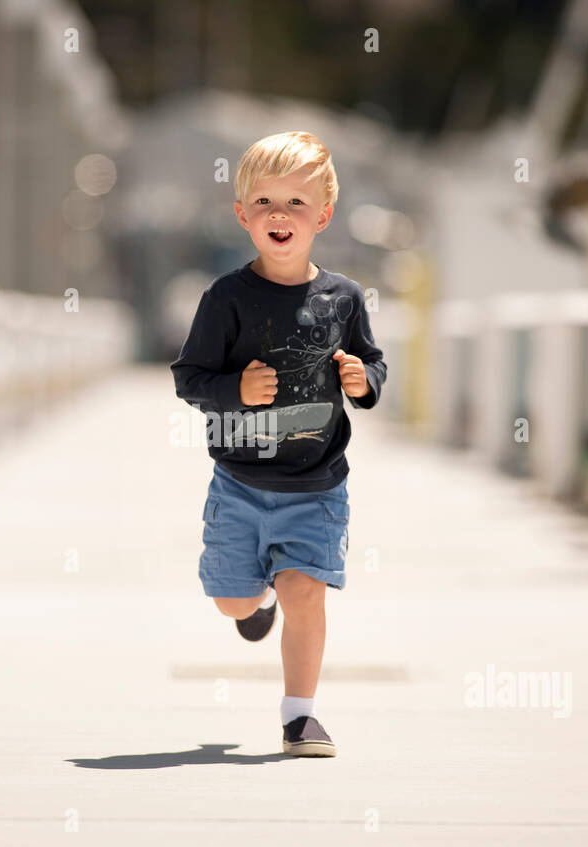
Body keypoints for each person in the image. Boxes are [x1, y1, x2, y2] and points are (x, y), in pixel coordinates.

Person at [169, 130, 387, 757]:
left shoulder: (343, 298)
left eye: (296, 202)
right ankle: (251, 603)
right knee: (233, 599)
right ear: (242, 216)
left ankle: (300, 717)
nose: (279, 215)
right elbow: (189, 378)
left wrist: (362, 381)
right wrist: (235, 388)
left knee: (305, 592)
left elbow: (373, 365)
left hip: (317, 485)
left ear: (323, 214)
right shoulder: (225, 299)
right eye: (264, 202)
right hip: (238, 483)